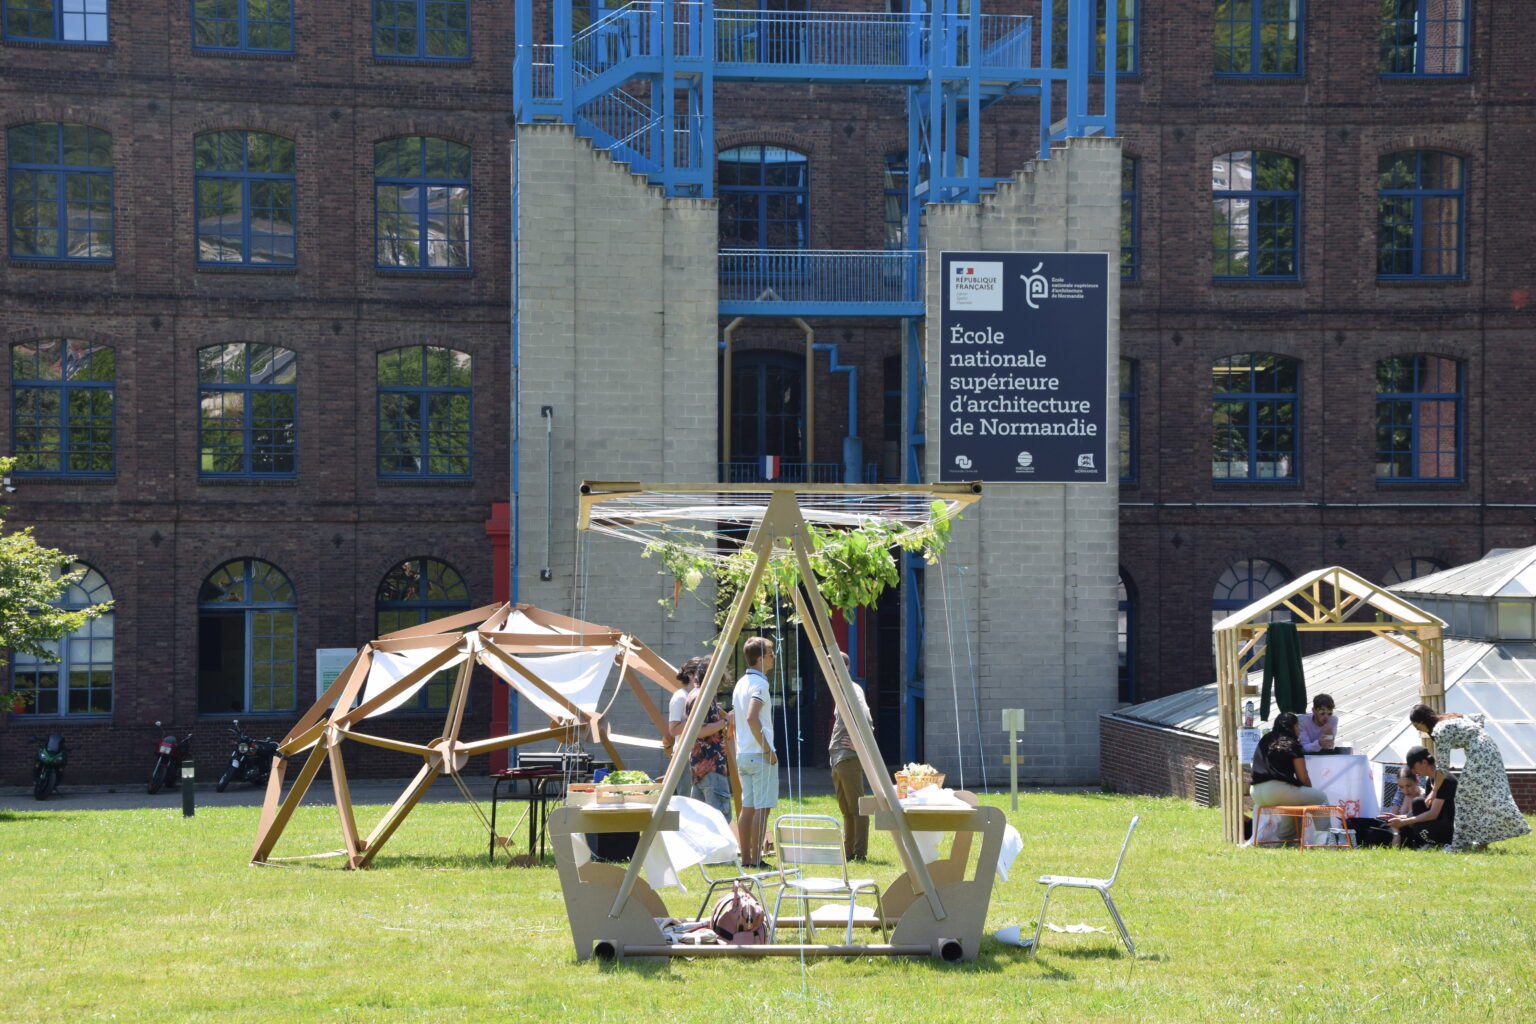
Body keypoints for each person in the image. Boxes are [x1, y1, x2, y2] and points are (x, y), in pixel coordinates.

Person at [1408, 704, 1531, 852]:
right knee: (1482, 798)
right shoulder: (1450, 718)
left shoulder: (1439, 730)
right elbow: (1477, 718)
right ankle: (1481, 844)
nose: (1419, 730)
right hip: (1489, 749)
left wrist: (1434, 791)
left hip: (1480, 754)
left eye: (1416, 727)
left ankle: (1460, 844)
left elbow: (1443, 766)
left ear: (1421, 722)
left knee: (1464, 798)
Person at [732, 636, 778, 868]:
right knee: (762, 807)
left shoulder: (740, 683)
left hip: (743, 754)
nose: (774, 657)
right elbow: (752, 717)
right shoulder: (761, 684)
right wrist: (768, 750)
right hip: (759, 754)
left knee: (747, 806)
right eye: (771, 653)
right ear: (760, 659)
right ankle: (757, 859)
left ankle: (747, 859)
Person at [1250, 712, 1328, 841]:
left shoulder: (1265, 739)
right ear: (1293, 727)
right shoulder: (1293, 743)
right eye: (1298, 726)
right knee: (1321, 799)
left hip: (1256, 792)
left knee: (1294, 800)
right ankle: (1325, 842)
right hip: (1277, 790)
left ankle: (1288, 841)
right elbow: (1303, 777)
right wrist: (1309, 792)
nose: (1299, 729)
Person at [826, 651, 873, 861]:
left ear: (844, 668)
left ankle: (859, 853)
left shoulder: (852, 689)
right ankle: (848, 852)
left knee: (857, 807)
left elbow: (866, 719)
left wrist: (859, 745)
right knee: (846, 808)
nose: (830, 672)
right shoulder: (841, 690)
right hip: (837, 757)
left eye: (833, 667)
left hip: (847, 757)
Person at [1381, 746, 1458, 849]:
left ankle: (1443, 844)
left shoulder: (1445, 779)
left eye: (1414, 767)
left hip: (1451, 826)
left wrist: (1403, 822)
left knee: (1416, 825)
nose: (1413, 771)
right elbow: (1422, 811)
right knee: (1418, 803)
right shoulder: (1429, 782)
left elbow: (1433, 814)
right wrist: (1397, 817)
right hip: (1438, 823)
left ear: (1424, 762)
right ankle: (1434, 843)